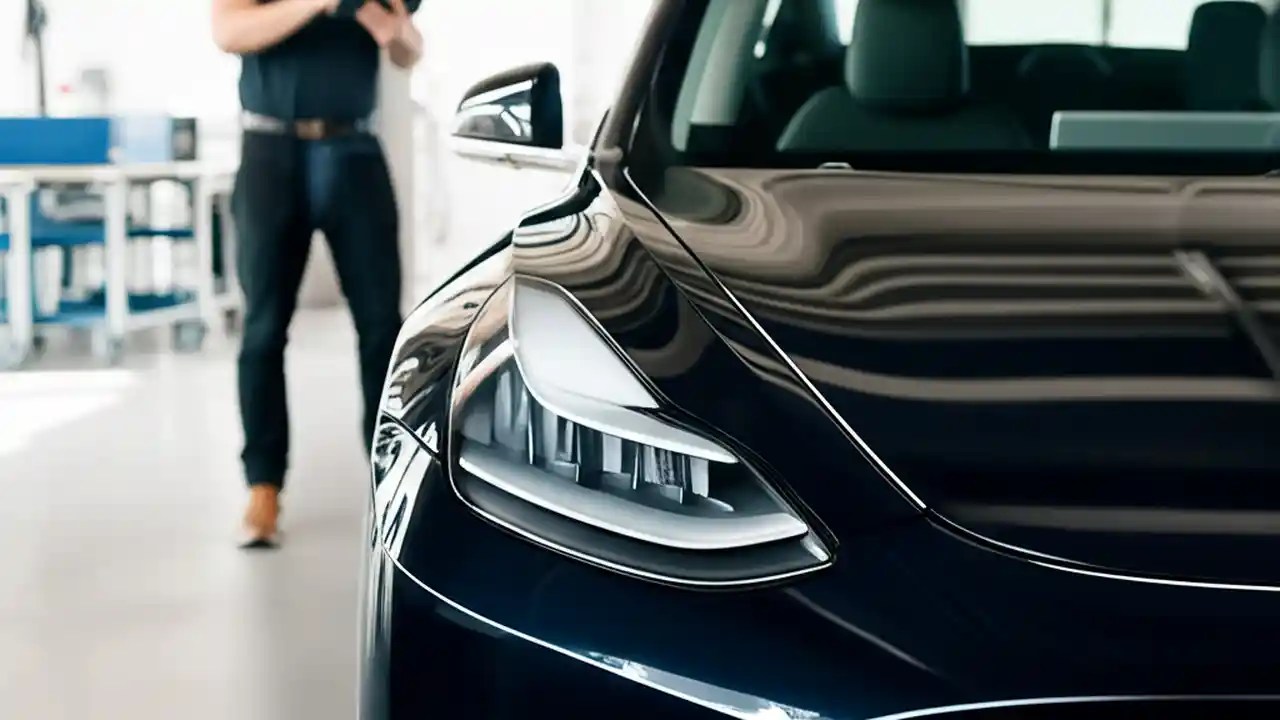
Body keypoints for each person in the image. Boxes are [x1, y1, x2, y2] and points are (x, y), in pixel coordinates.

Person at [211, 0, 423, 547]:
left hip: (353, 148)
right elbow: (228, 31)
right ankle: (263, 489)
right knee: (262, 330)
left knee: (382, 328)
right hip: (269, 151)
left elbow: (410, 50)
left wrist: (386, 27)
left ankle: (387, 481)